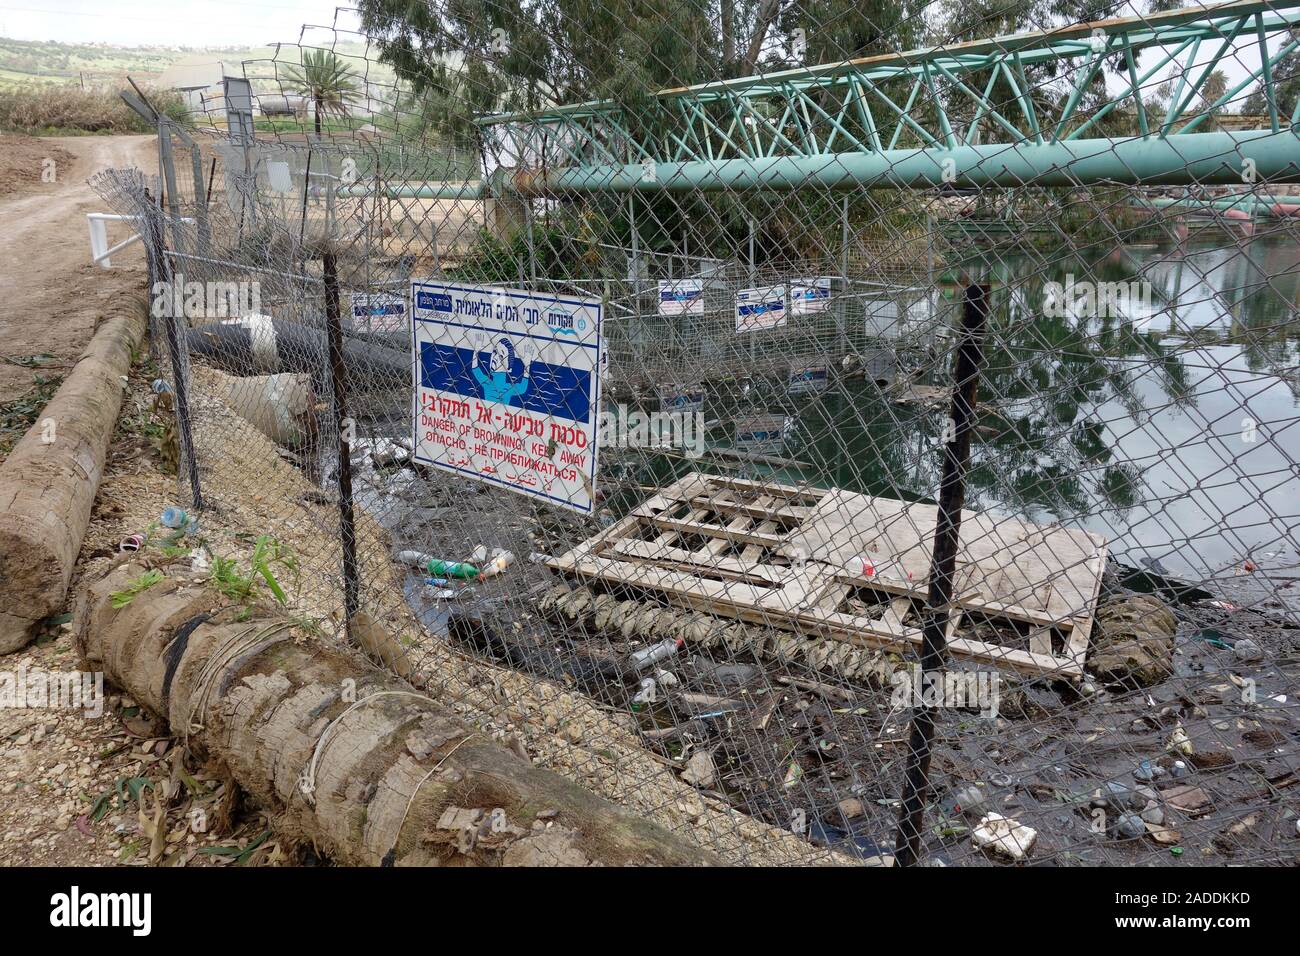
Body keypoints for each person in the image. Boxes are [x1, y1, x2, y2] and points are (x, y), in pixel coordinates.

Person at [472, 337, 532, 404]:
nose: (495, 357)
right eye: (495, 352)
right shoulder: (488, 383)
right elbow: (475, 369)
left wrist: (527, 364)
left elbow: (523, 388)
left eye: (501, 356)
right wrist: (476, 351)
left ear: (509, 368)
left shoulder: (507, 388)